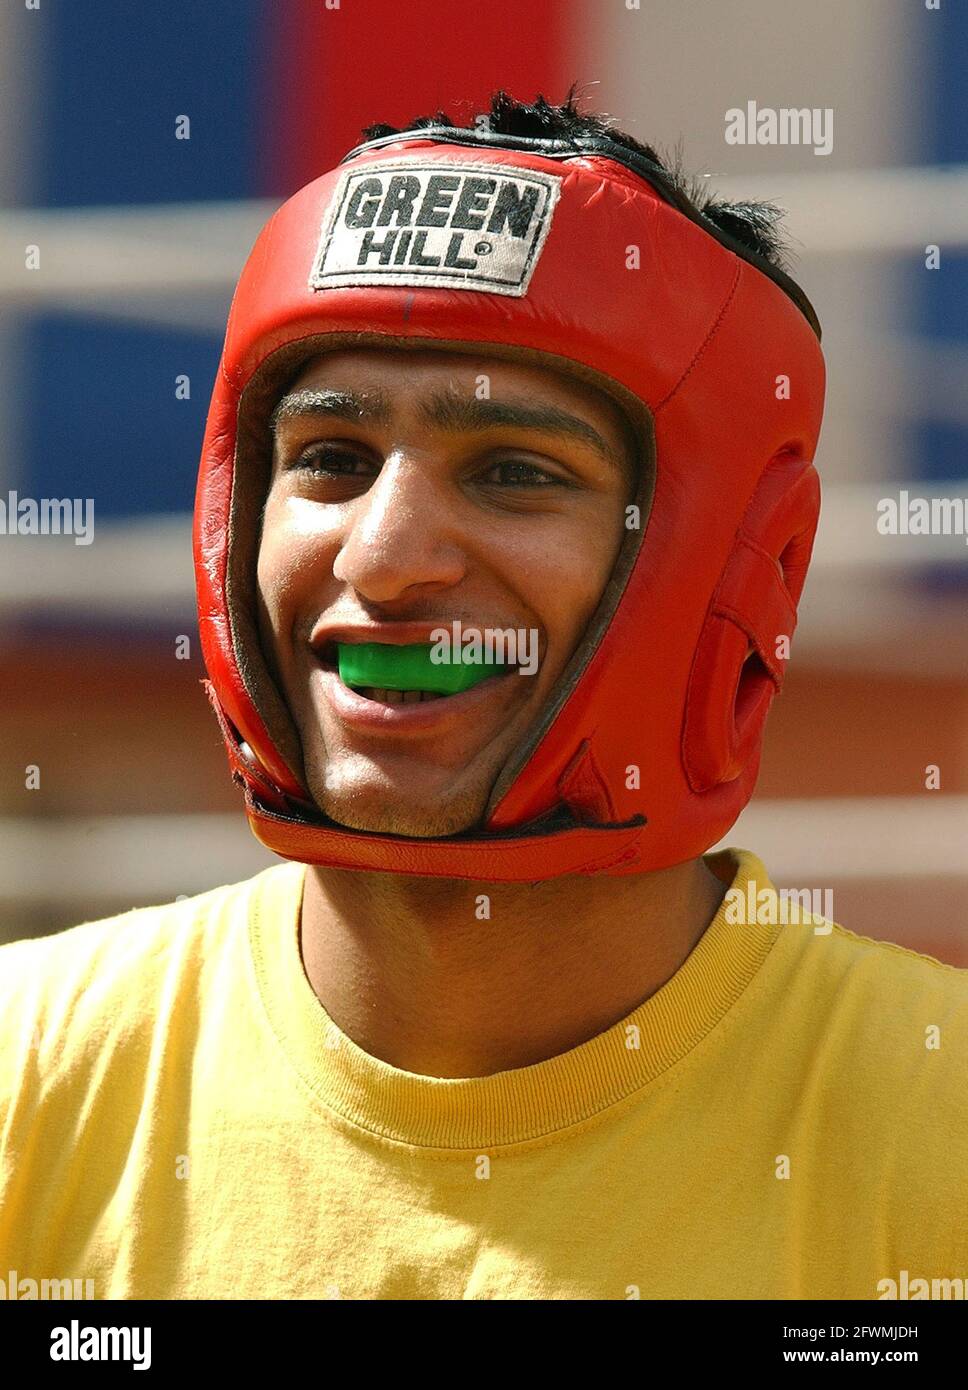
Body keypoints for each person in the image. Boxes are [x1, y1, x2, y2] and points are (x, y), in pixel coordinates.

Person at [1, 90, 965, 1302]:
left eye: (515, 471)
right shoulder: (27, 1082)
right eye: (331, 460)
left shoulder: (938, 1137)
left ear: (741, 569)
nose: (383, 558)